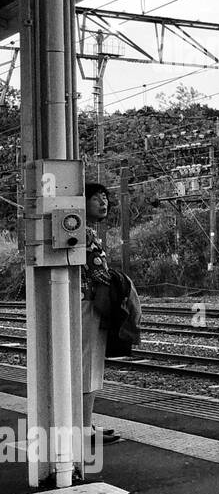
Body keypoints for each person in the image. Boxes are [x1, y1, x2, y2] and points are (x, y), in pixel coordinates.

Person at [81, 182, 120, 446]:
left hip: (87, 304)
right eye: (96, 198)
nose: (103, 202)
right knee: (87, 365)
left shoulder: (88, 233)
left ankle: (85, 424)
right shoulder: (82, 234)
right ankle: (82, 428)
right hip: (86, 305)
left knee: (89, 365)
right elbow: (97, 275)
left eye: (105, 197)